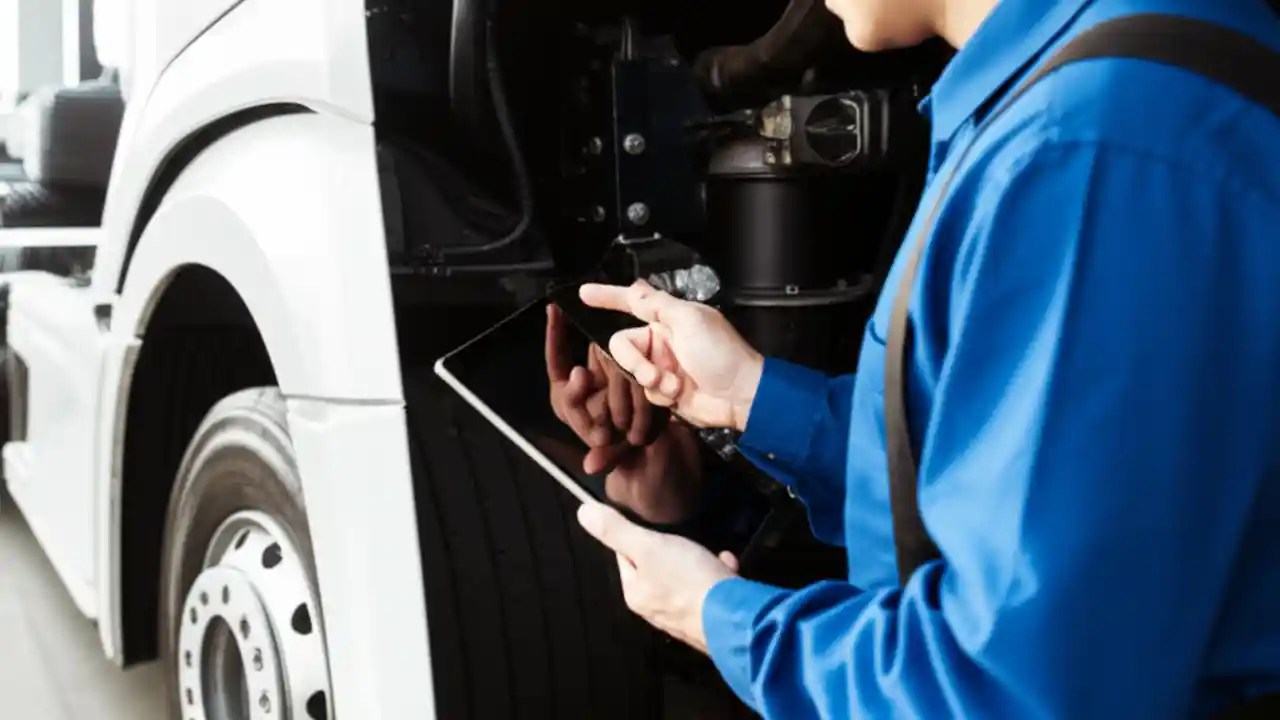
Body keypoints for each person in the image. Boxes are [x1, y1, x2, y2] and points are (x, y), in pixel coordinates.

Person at [564, 0, 1280, 716]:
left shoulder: (1085, 151)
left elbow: (1014, 689)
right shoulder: (1106, 87)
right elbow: (1024, 490)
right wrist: (751, 397)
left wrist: (722, 618)